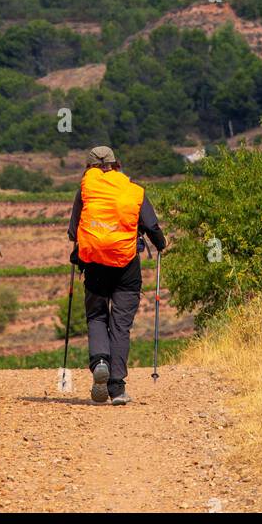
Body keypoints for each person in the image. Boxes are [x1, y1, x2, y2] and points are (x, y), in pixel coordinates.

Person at [67, 144, 166, 406]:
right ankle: (117, 387)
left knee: (97, 316)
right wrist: (161, 244)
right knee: (121, 324)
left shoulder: (86, 189)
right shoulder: (133, 190)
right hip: (126, 265)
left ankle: (100, 361)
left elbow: (72, 231)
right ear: (116, 164)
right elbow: (151, 225)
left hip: (95, 265)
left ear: (89, 167)